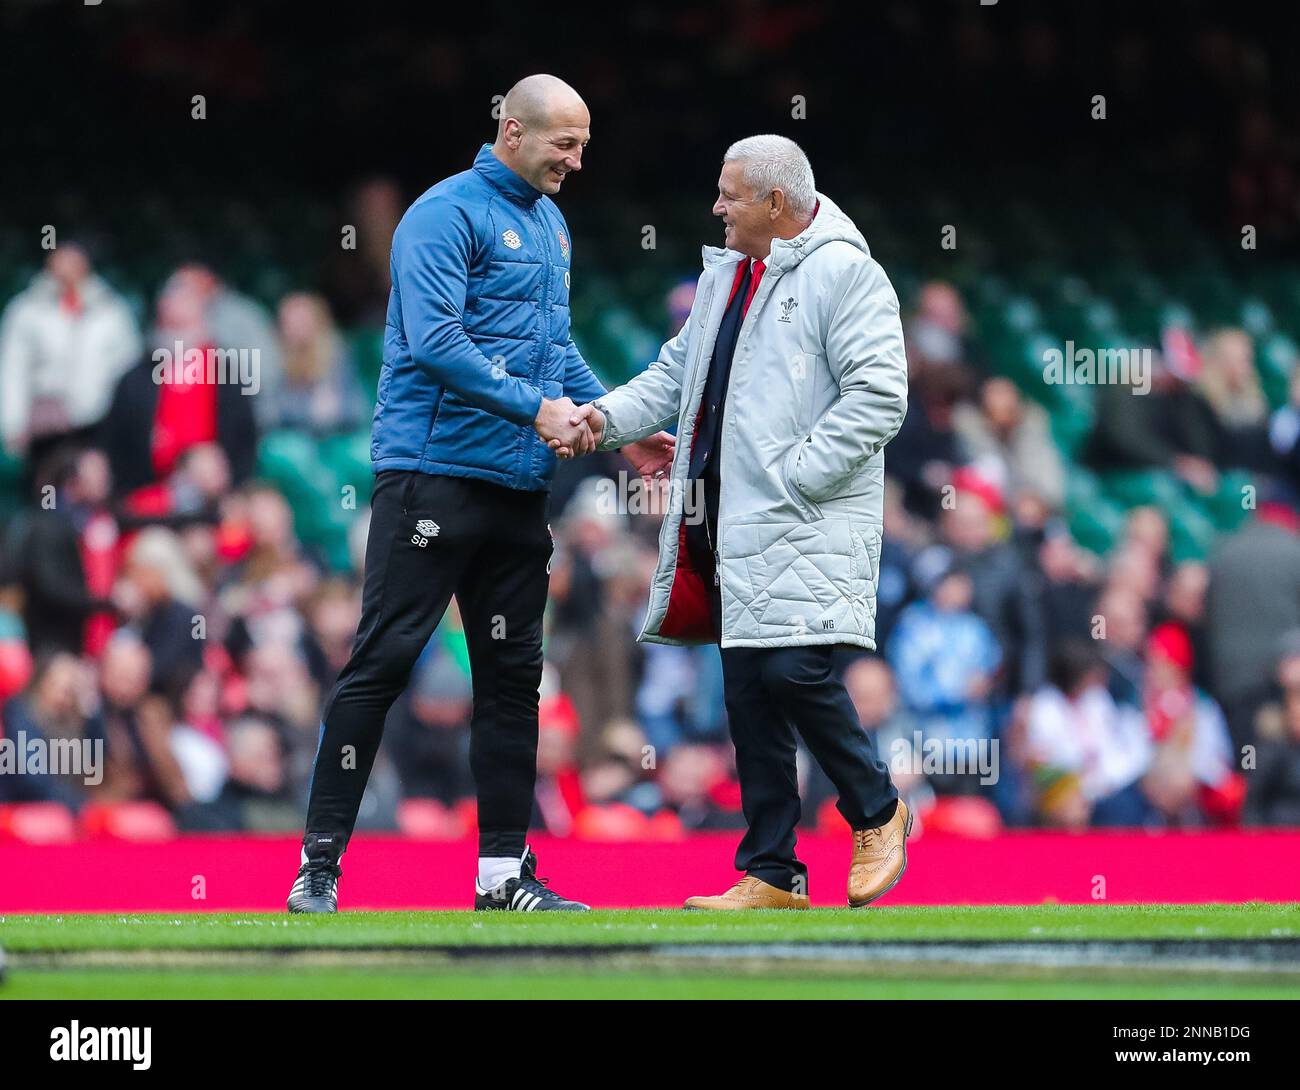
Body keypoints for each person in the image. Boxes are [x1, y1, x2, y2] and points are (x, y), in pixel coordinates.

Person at [286, 74, 674, 914]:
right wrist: (538, 409)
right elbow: (433, 342)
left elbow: (554, 349)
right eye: (563, 144)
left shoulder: (551, 225)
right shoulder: (441, 214)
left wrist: (617, 424)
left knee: (511, 681)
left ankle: (503, 877)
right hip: (431, 477)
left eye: (583, 146)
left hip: (516, 487)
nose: (576, 161)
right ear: (510, 130)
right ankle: (319, 866)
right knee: (381, 664)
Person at [572, 135, 911, 909]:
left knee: (795, 672)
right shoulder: (730, 276)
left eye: (729, 194)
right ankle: (771, 871)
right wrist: (600, 421)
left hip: (804, 521)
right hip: (727, 525)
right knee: (749, 693)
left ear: (776, 205)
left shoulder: (847, 275)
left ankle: (879, 810)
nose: (716, 206)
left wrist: (793, 478)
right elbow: (670, 376)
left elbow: (880, 397)